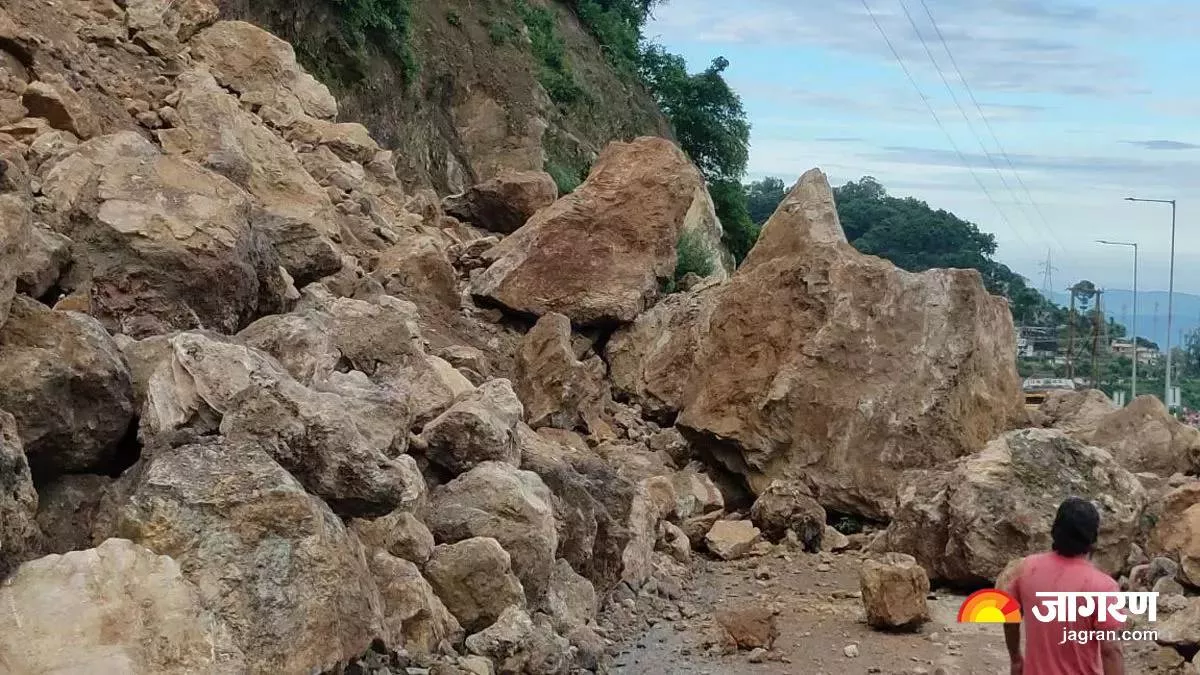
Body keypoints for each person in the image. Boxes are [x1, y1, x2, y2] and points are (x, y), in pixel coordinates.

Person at [1002, 497, 1125, 675]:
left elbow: (1010, 617)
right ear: (1093, 539)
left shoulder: (1025, 569)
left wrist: (1015, 659)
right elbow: (1111, 650)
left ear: (1054, 530)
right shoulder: (1103, 587)